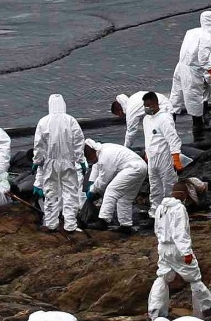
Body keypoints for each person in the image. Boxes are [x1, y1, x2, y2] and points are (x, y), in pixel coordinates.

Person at [150, 182, 211, 319]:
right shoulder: (179, 208)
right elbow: (180, 232)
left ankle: (155, 310)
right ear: (184, 195)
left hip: (163, 247)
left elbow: (157, 229)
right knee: (194, 278)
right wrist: (186, 252)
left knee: (163, 276)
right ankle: (208, 308)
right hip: (177, 248)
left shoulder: (160, 207)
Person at [32, 94, 86, 234]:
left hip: (50, 163)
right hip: (68, 162)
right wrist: (80, 160)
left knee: (51, 193)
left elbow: (39, 145)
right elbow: (79, 141)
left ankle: (51, 224)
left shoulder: (43, 121)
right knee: (70, 193)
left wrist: (37, 161)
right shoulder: (71, 120)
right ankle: (70, 224)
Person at [172, 9, 211, 139]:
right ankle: (198, 125)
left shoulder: (192, 32)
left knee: (176, 96)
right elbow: (203, 59)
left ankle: (170, 123)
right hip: (191, 70)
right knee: (194, 97)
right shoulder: (206, 37)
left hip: (180, 66)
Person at [85, 138, 147, 233]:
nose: (90, 160)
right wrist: (91, 183)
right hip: (141, 168)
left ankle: (103, 221)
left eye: (89, 158)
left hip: (132, 168)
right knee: (125, 198)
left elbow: (104, 179)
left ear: (92, 153)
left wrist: (92, 190)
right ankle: (125, 225)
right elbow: (96, 168)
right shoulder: (102, 150)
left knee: (112, 191)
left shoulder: (105, 156)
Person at [140, 89, 185, 203]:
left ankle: (173, 209)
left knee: (169, 185)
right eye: (145, 106)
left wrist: (176, 159)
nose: (146, 108)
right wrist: (147, 152)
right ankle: (155, 212)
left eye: (148, 105)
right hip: (152, 159)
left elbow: (173, 139)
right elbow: (149, 138)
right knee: (155, 187)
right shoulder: (146, 120)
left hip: (164, 157)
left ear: (156, 103)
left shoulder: (164, 119)